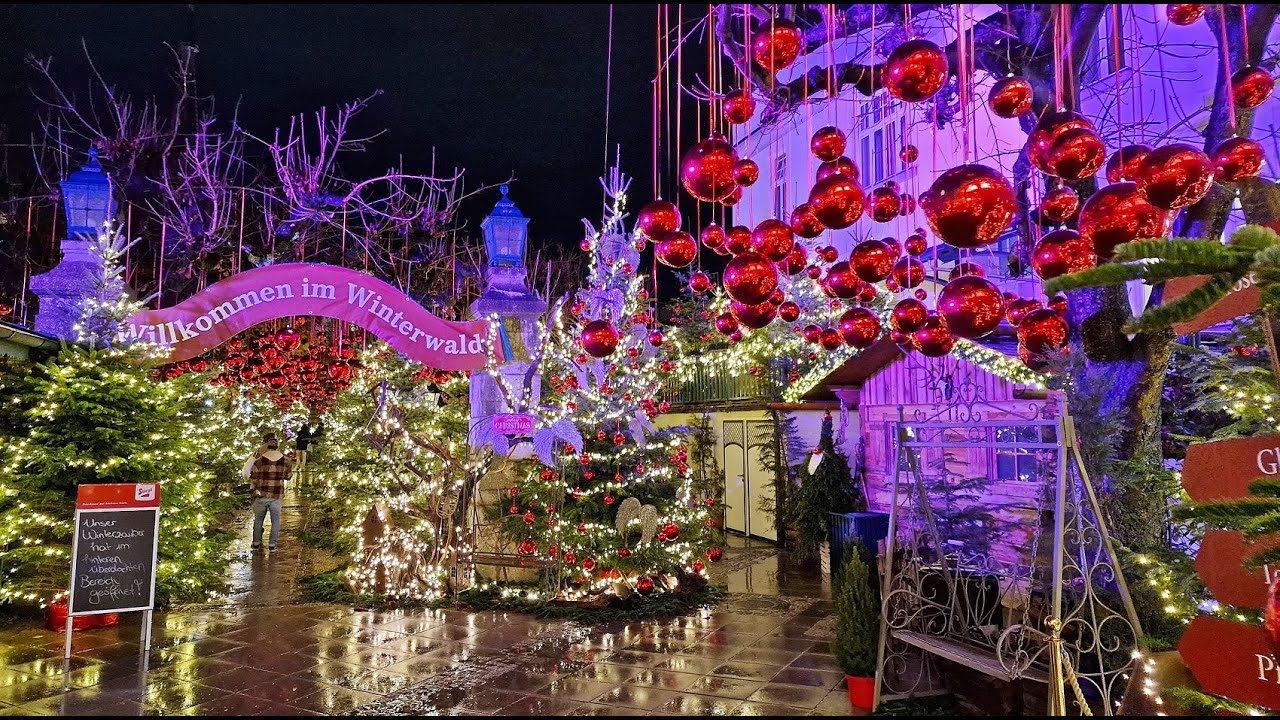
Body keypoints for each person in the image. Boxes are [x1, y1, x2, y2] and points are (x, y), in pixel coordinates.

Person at [246, 432, 292, 551]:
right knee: (275, 521)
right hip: (276, 496)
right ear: (277, 446)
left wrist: (253, 489)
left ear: (267, 446)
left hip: (261, 495)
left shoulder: (260, 461)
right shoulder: (286, 460)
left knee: (258, 520)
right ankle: (272, 545)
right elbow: (288, 476)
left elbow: (254, 478)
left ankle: (256, 543)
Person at [295, 416, 325, 482]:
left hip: (298, 447)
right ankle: (302, 467)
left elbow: (299, 439)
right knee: (304, 457)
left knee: (298, 457)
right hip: (304, 447)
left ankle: (298, 466)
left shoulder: (300, 433)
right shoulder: (313, 433)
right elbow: (310, 439)